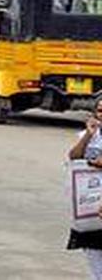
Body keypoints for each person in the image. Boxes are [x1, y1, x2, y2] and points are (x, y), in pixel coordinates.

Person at [69, 98, 102, 277]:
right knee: (95, 260)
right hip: (90, 203)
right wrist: (89, 135)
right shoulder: (90, 135)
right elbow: (74, 157)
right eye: (100, 110)